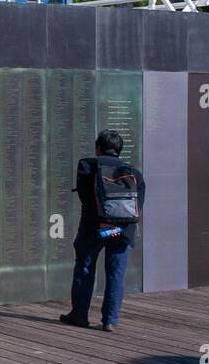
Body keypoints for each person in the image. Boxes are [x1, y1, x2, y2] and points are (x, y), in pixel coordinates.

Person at [60, 130, 146, 332]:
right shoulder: (134, 173)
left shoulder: (88, 165)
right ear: (119, 150)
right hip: (121, 230)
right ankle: (110, 320)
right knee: (116, 273)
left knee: (85, 268)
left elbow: (84, 196)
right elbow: (138, 205)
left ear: (98, 147)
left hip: (95, 229)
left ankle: (79, 315)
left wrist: (100, 221)